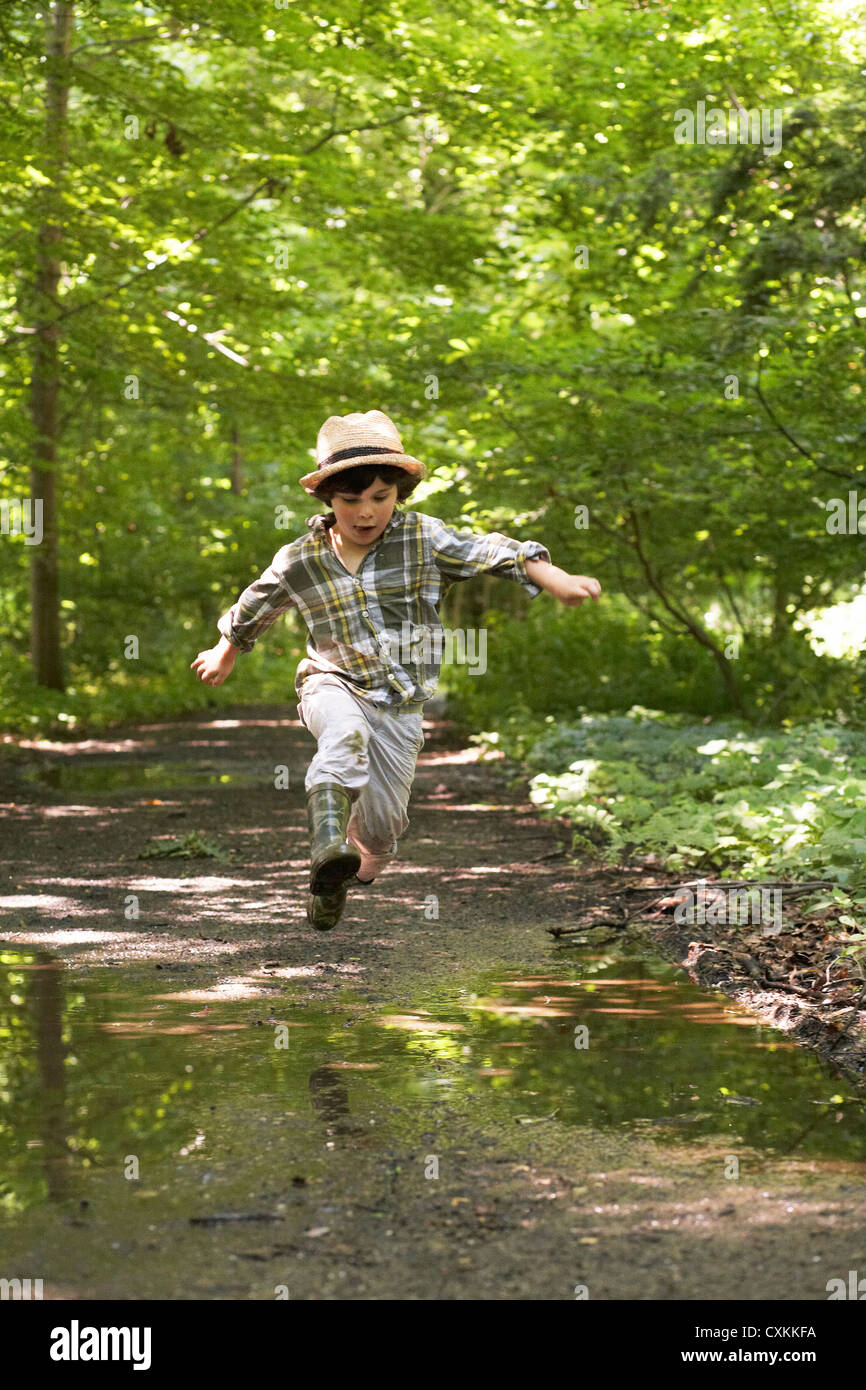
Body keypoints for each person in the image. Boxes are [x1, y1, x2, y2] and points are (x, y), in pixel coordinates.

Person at [190, 409, 601, 930]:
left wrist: (554, 576)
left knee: (382, 830)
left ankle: (341, 875)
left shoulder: (423, 540)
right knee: (343, 735)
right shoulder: (301, 559)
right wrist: (227, 648)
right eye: (350, 500)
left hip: (401, 705)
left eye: (380, 498)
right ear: (326, 499)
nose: (366, 512)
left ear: (398, 493)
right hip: (331, 681)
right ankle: (325, 846)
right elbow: (258, 602)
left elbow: (492, 551)